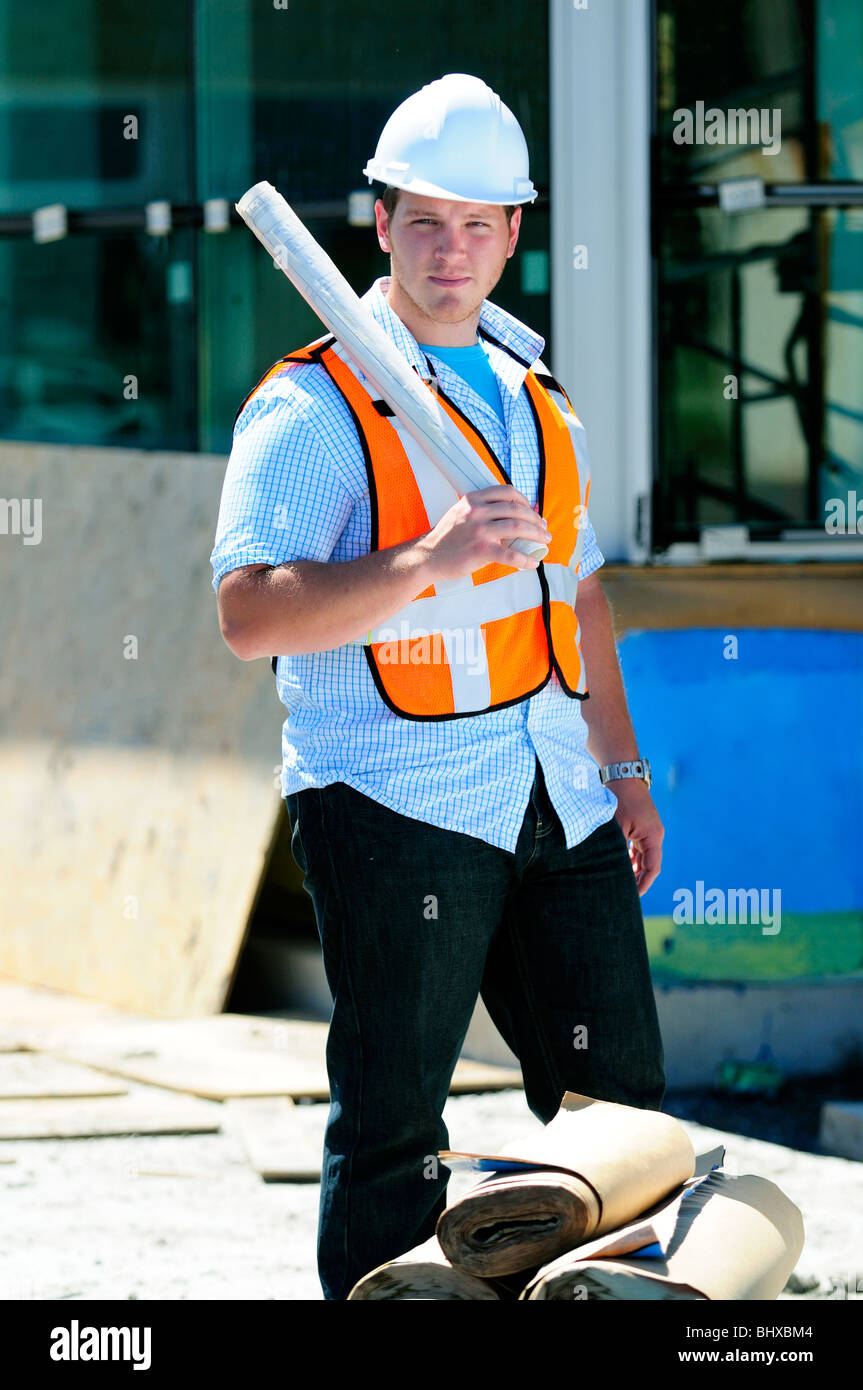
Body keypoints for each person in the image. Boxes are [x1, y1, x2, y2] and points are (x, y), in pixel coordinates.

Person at [210, 73, 666, 1301]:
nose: (450, 250)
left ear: (515, 232)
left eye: (476, 224)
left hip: (555, 799)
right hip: (394, 797)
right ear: (380, 223)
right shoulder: (311, 402)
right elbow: (249, 614)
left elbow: (582, 596)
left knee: (619, 1110)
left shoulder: (537, 394)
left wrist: (621, 773)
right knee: (393, 1130)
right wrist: (428, 560)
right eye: (424, 222)